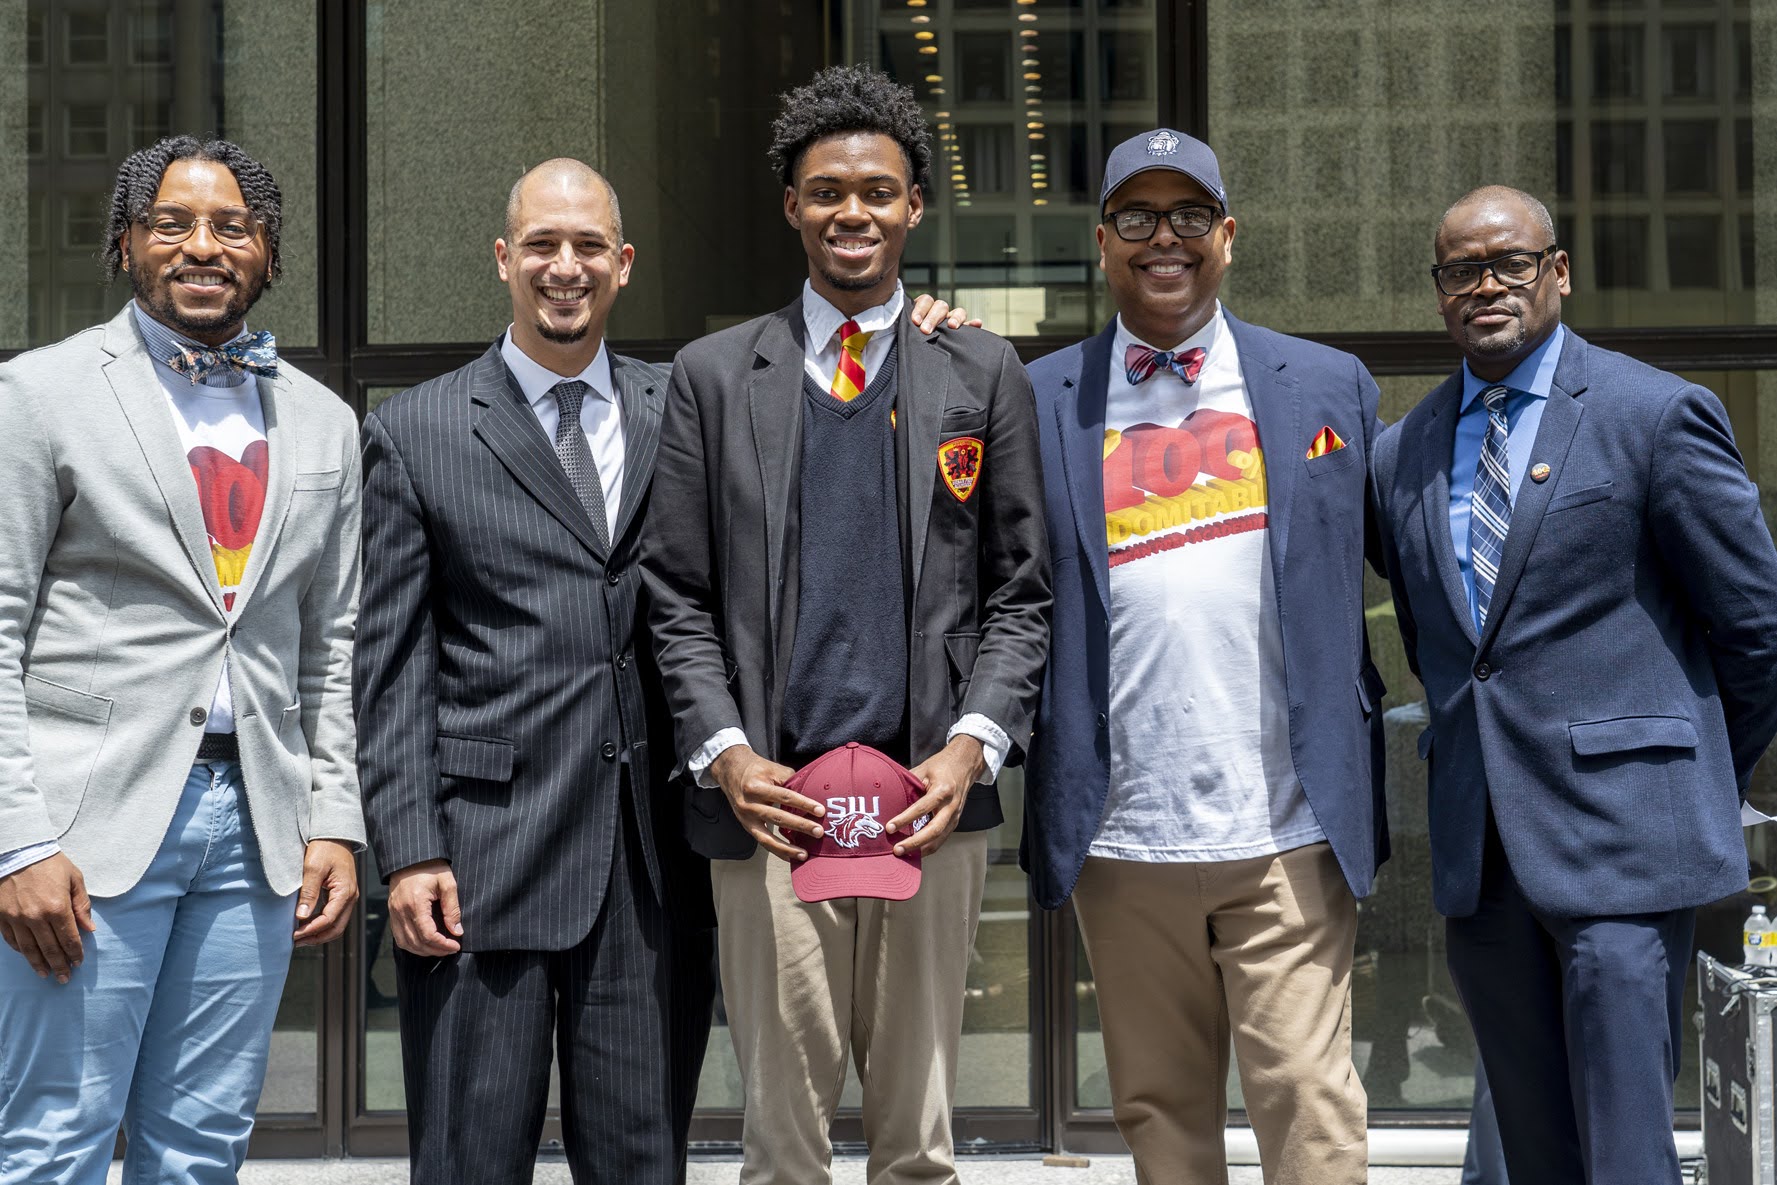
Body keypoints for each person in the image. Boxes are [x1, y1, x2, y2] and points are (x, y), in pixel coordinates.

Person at [353, 156, 969, 1184]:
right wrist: (410, 847)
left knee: (644, 1163)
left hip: (648, 865)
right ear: (503, 260)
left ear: (624, 264)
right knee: (468, 1159)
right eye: (542, 246)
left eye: (589, 247)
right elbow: (391, 661)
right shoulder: (416, 431)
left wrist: (923, 328)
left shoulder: (684, 397)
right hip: (480, 860)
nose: (565, 268)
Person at [641, 65, 1051, 1185]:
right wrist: (725, 755)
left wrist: (973, 746)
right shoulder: (715, 379)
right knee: (780, 1143)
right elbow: (672, 594)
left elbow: (1021, 592)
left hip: (929, 806)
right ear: (792, 207)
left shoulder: (977, 367)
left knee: (918, 1145)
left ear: (916, 204)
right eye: (827, 192)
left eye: (877, 191)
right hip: (772, 809)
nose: (852, 214)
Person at [1372, 184, 1777, 1184]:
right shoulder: (1401, 454)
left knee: (1626, 1143)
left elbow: (1756, 627)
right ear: (1438, 295)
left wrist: (1684, 776)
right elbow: (1443, 644)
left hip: (1624, 840)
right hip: (1483, 849)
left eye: (1510, 262)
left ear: (1558, 273)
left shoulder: (1653, 414)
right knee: (1526, 1143)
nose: (1487, 285)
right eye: (1463, 270)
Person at [1020, 127, 1388, 1184]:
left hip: (1287, 829)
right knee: (1160, 1121)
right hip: (1124, 836)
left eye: (1188, 215)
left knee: (1312, 1111)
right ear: (1102, 243)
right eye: (1137, 217)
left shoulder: (1328, 387)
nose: (1163, 238)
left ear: (1228, 235)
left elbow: (1403, 556)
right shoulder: (1040, 397)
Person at [0, 136, 363, 1183]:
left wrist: (333, 817)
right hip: (84, 830)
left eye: (231, 226)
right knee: (53, 1143)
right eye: (173, 224)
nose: (203, 246)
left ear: (268, 255)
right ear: (126, 244)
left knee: (202, 1148)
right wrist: (16, 842)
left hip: (253, 829)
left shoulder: (325, 425)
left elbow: (328, 642)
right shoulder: (40, 394)